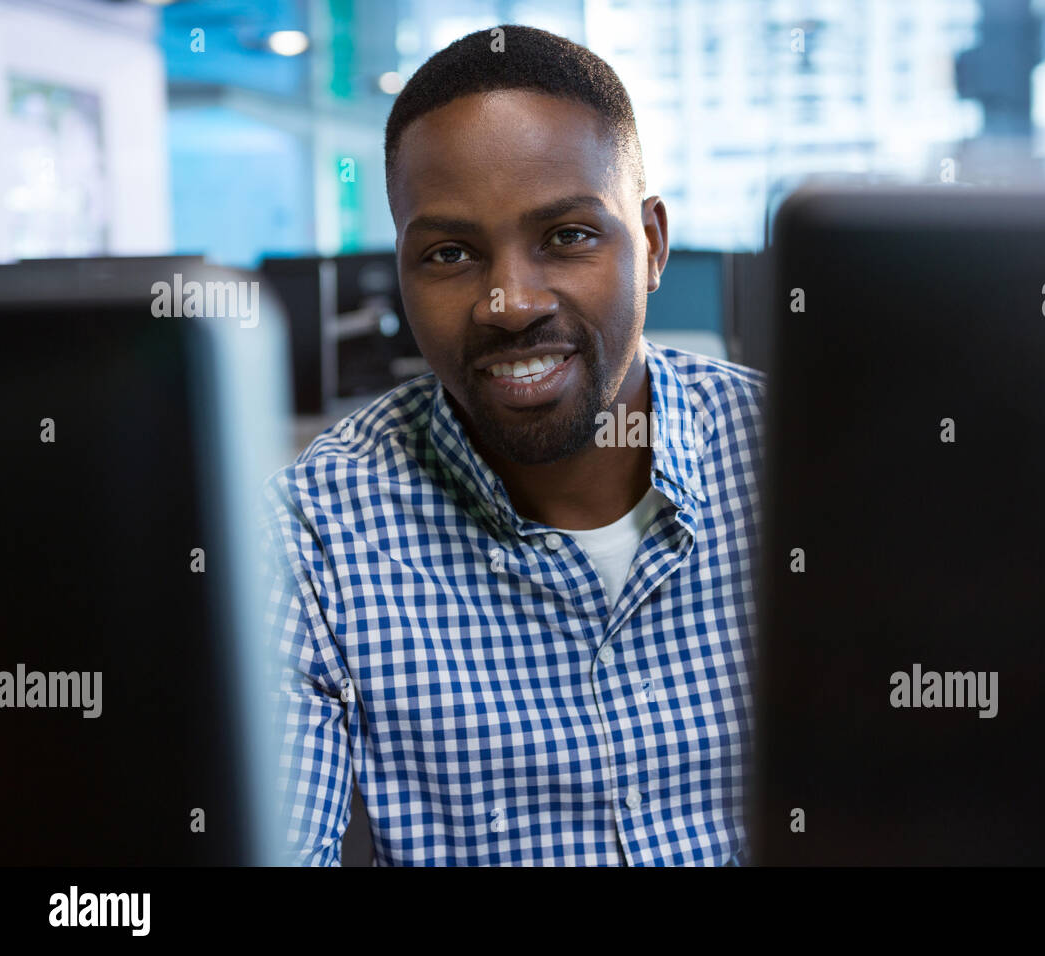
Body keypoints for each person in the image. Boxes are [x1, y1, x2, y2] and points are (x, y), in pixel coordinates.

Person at [259, 24, 765, 865]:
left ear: (653, 244)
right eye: (450, 252)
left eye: (567, 235)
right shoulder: (316, 537)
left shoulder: (794, 465)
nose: (510, 301)